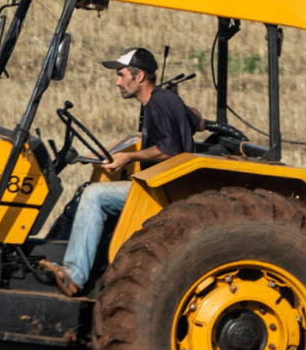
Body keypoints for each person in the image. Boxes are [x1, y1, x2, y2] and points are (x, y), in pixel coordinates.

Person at [38, 47, 197, 296]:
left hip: (161, 191)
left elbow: (170, 149)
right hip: (155, 184)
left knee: (95, 195)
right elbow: (197, 121)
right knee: (85, 191)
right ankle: (55, 251)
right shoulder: (160, 100)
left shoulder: (159, 102)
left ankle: (75, 275)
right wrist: (99, 153)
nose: (117, 82)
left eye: (122, 75)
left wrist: (129, 157)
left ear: (140, 77)